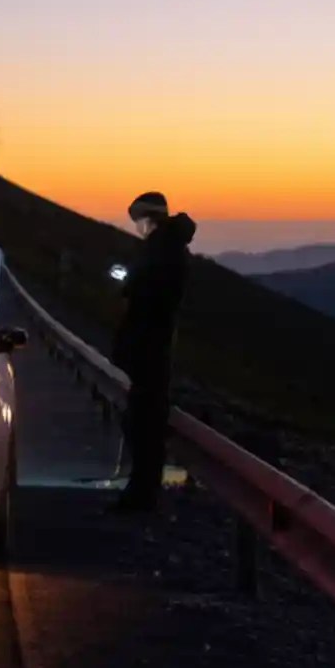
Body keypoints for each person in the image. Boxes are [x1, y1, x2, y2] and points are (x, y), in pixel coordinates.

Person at [108, 191, 197, 513]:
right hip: (152, 347)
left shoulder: (162, 252)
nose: (137, 227)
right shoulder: (168, 249)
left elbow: (145, 295)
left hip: (150, 348)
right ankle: (141, 492)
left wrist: (128, 283)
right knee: (143, 423)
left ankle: (142, 495)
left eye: (139, 220)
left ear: (148, 218)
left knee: (144, 425)